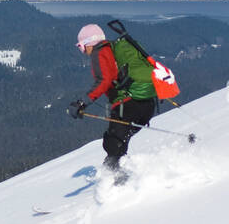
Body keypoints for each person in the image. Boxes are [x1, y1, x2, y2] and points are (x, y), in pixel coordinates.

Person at [68, 23, 160, 171]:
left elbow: (104, 80)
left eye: (80, 46)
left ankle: (120, 183)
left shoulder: (100, 52)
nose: (83, 51)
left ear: (89, 43)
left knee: (112, 144)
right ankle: (121, 174)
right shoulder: (113, 48)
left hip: (128, 105)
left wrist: (82, 103)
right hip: (147, 104)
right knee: (118, 145)